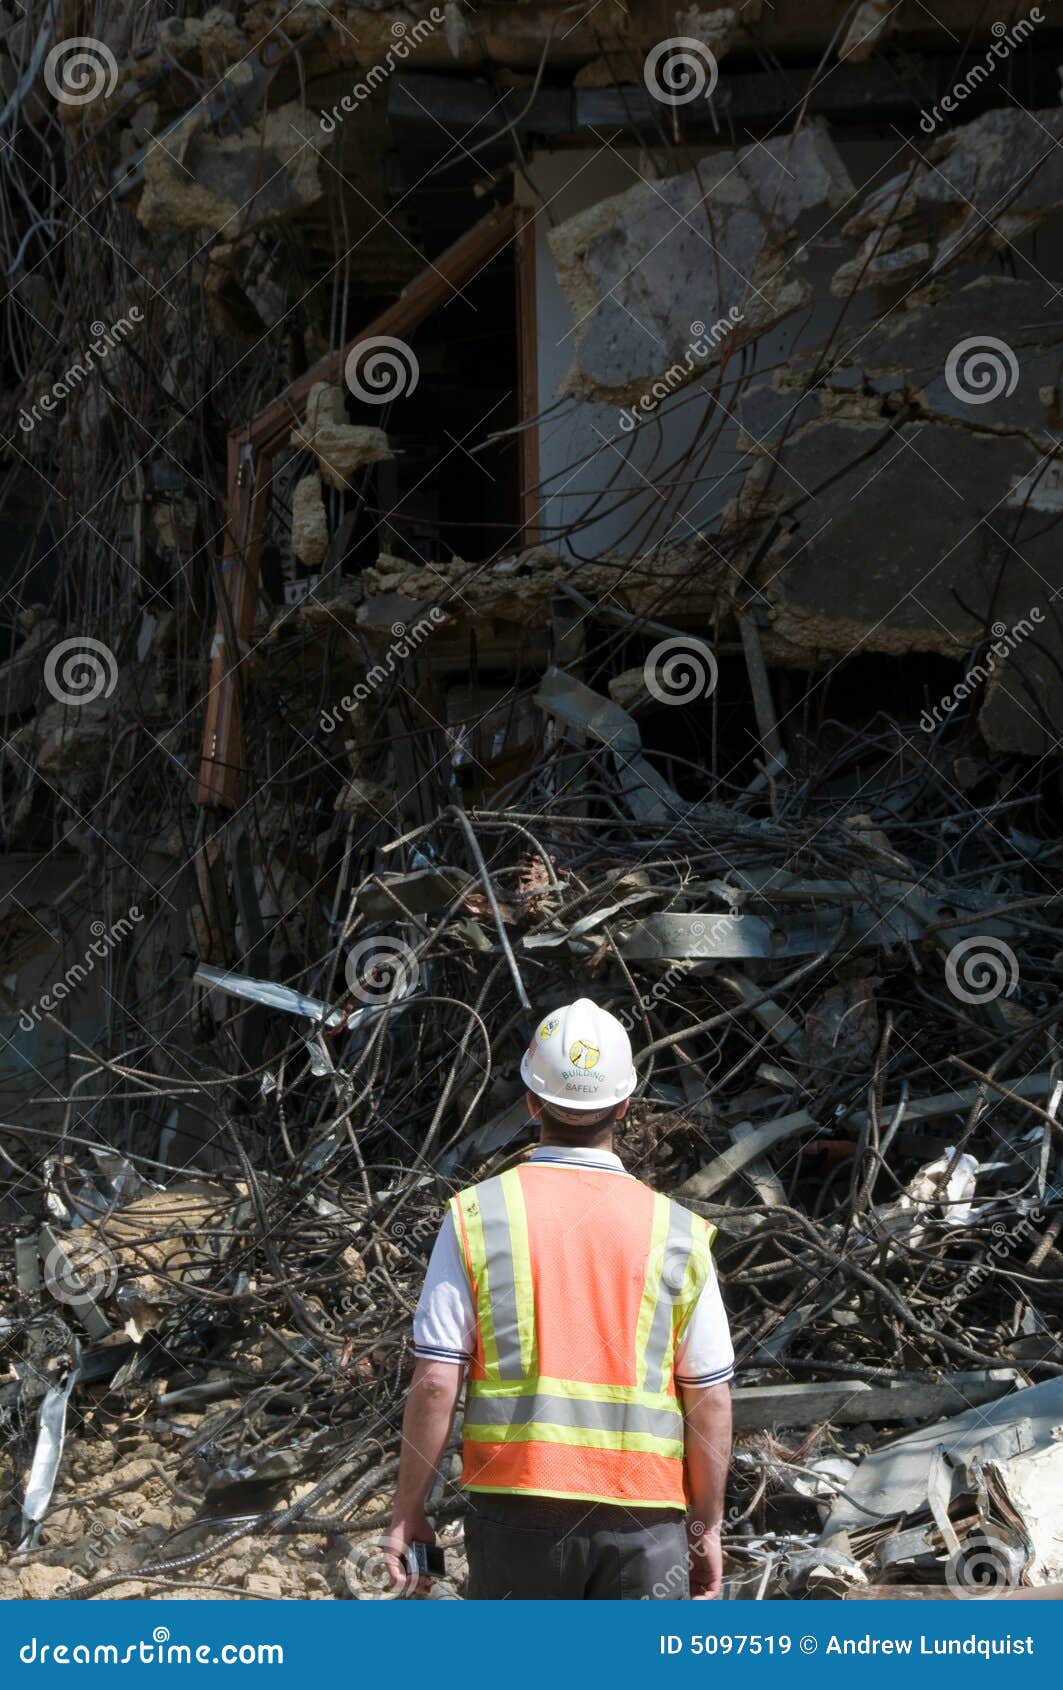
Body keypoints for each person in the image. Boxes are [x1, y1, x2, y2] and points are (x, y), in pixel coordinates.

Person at [386, 997, 734, 1600]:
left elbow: (438, 1381)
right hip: (645, 1519)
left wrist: (407, 1509)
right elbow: (709, 1399)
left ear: (530, 1101)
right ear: (624, 1106)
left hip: (516, 1514)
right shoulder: (677, 1231)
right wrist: (706, 1525)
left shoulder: (477, 1216)